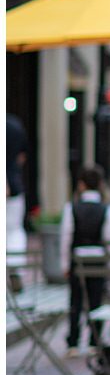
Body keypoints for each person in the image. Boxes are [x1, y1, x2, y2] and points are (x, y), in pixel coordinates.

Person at [59, 165, 110, 355]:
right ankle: (95, 340)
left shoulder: (71, 208)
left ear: (81, 185)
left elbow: (66, 237)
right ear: (100, 184)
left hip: (77, 261)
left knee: (75, 301)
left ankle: (73, 342)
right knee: (96, 301)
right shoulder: (106, 209)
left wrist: (65, 264)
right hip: (98, 261)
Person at [6, 111, 30, 274]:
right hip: (14, 185)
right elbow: (22, 156)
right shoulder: (15, 126)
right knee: (14, 230)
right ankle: (15, 268)